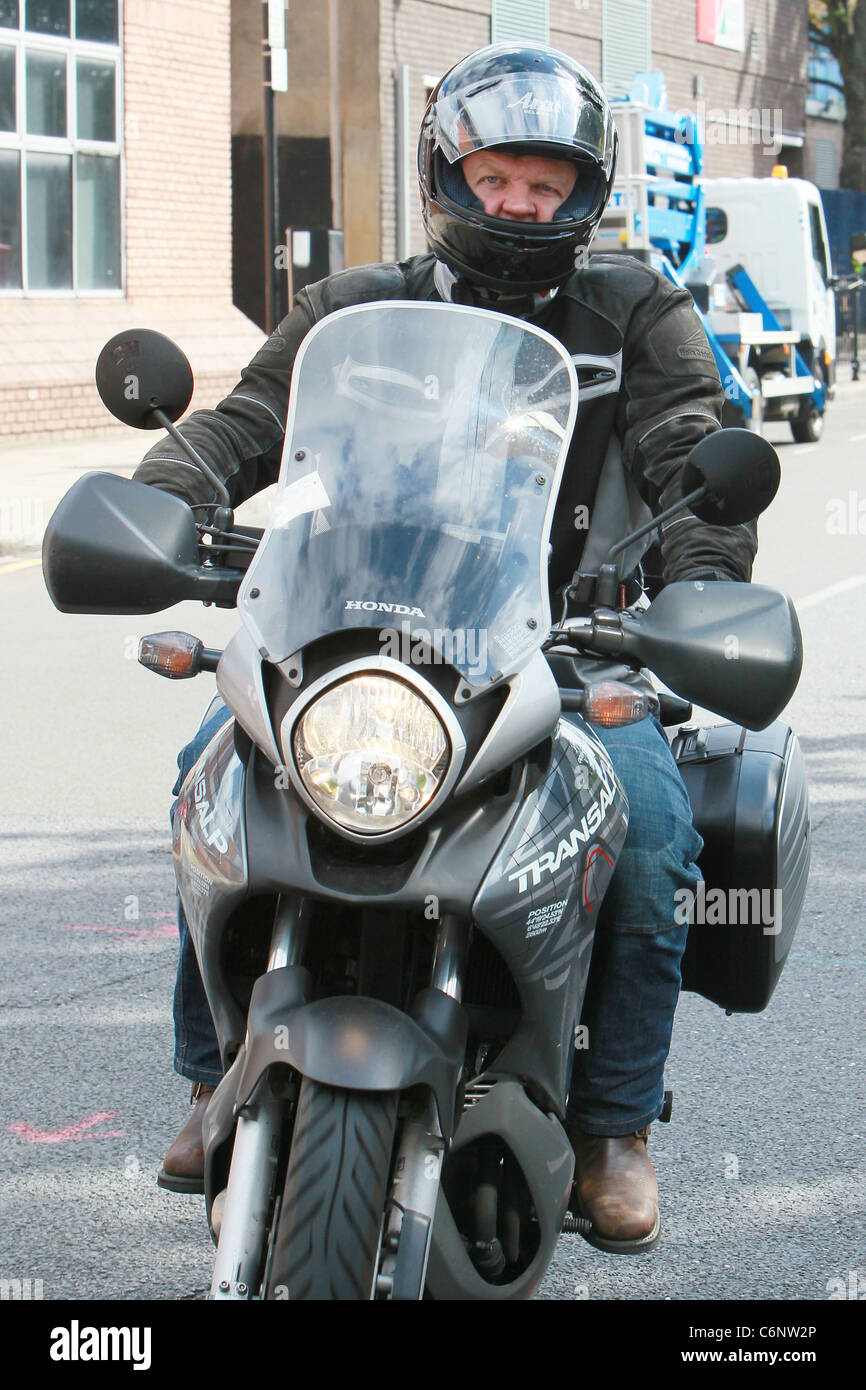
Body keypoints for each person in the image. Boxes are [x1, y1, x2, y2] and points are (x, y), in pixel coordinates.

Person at [135, 42, 756, 1253]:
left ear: (583, 195)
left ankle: (611, 1127)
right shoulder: (356, 308)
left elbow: (697, 464)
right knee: (213, 771)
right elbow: (246, 423)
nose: (518, 205)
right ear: (445, 175)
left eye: (545, 182)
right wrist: (162, 504)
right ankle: (213, 1072)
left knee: (645, 818)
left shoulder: (634, 312)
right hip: (366, 641)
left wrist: (692, 597)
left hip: (567, 644)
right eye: (494, 176)